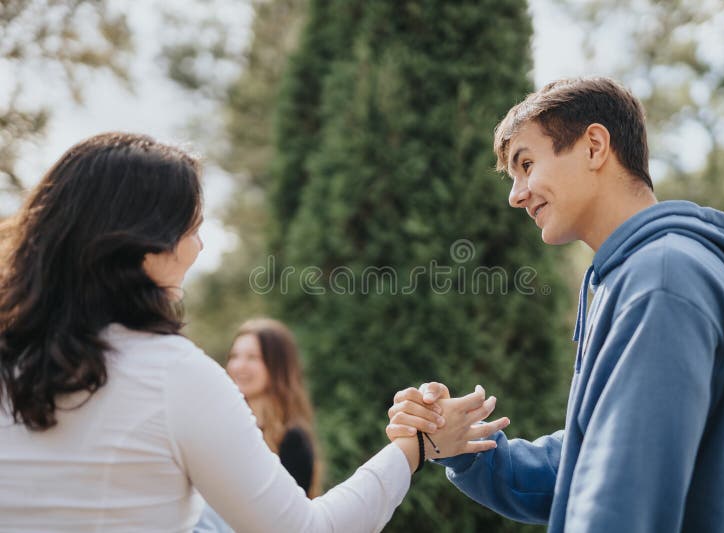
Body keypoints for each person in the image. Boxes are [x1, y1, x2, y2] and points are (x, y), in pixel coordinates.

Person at [0, 132, 508, 532]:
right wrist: (414, 447)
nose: (199, 248)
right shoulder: (175, 375)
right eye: (192, 228)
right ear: (146, 244)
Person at [385, 77, 724, 533]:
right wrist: (465, 449)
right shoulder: (659, 272)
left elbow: (621, 505)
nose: (516, 195)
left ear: (594, 146)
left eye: (527, 164)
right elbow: (590, 462)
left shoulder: (661, 281)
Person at [227, 318, 322, 497]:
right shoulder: (227, 427)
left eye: (252, 357)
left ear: (278, 366)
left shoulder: (293, 440)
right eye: (234, 356)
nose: (239, 366)